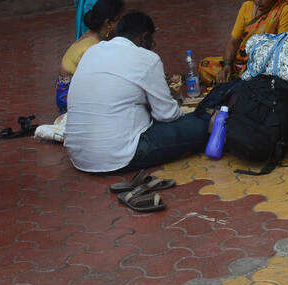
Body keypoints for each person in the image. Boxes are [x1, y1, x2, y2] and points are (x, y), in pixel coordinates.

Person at [64, 12, 210, 173]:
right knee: (203, 123)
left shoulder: (92, 52)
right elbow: (167, 115)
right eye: (152, 41)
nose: (152, 45)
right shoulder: (147, 58)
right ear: (145, 37)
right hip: (118, 156)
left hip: (78, 156)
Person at [58, 0, 126, 113]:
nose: (123, 23)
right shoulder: (94, 47)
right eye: (120, 19)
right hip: (69, 97)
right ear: (108, 23)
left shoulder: (94, 35)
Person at [226, 0, 288, 77]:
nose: (258, 0)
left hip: (267, 66)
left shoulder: (286, 11)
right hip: (242, 63)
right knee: (205, 66)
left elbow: (282, 49)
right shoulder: (247, 6)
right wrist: (227, 65)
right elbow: (233, 41)